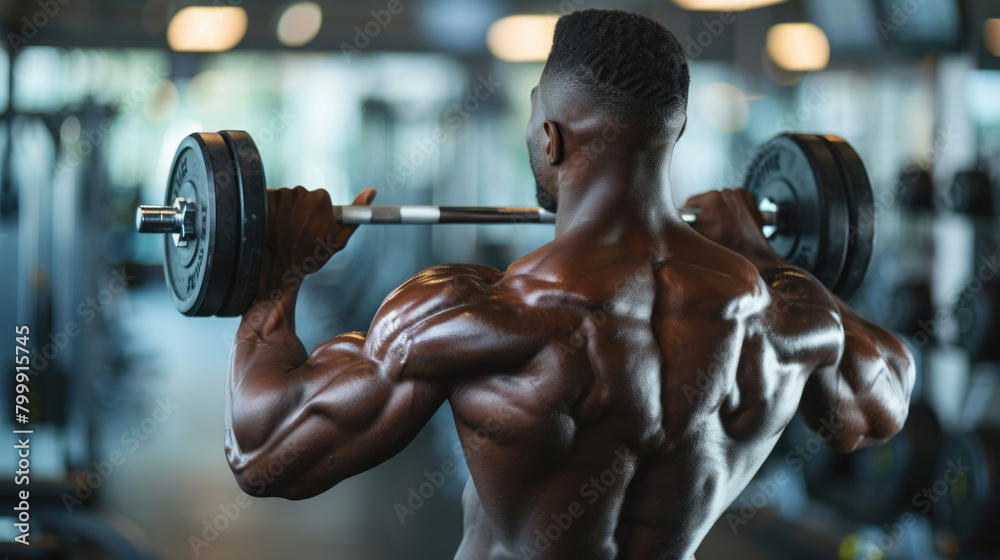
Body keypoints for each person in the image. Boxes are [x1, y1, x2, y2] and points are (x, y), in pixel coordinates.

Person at [224, 9, 914, 559]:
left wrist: (280, 269)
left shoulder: (481, 311)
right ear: (669, 139)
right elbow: (879, 406)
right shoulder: (775, 314)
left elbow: (264, 455)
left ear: (550, 137)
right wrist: (764, 256)